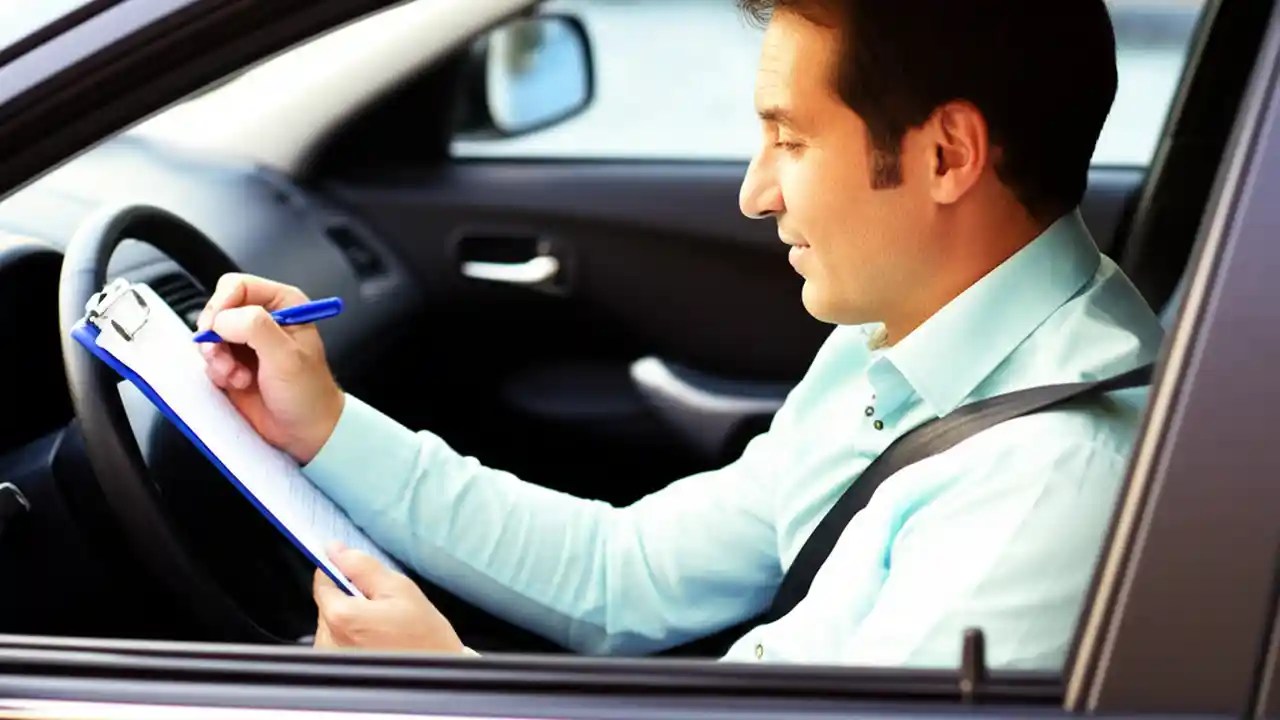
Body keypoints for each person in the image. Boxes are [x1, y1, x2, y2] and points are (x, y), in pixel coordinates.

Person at [195, 0, 1165, 669]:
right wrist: (322, 426)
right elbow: (627, 574)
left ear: (945, 154)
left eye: (788, 140)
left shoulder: (1044, 488)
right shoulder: (903, 336)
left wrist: (448, 696)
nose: (754, 192)